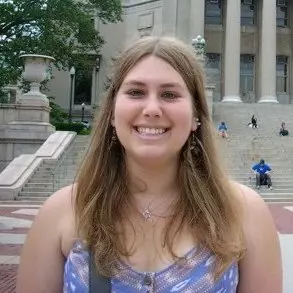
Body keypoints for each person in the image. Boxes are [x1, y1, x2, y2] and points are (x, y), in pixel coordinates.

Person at [16, 37, 282, 293]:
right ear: (111, 112)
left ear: (196, 117)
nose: (152, 108)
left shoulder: (245, 212)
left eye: (169, 94)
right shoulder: (61, 212)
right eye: (135, 92)